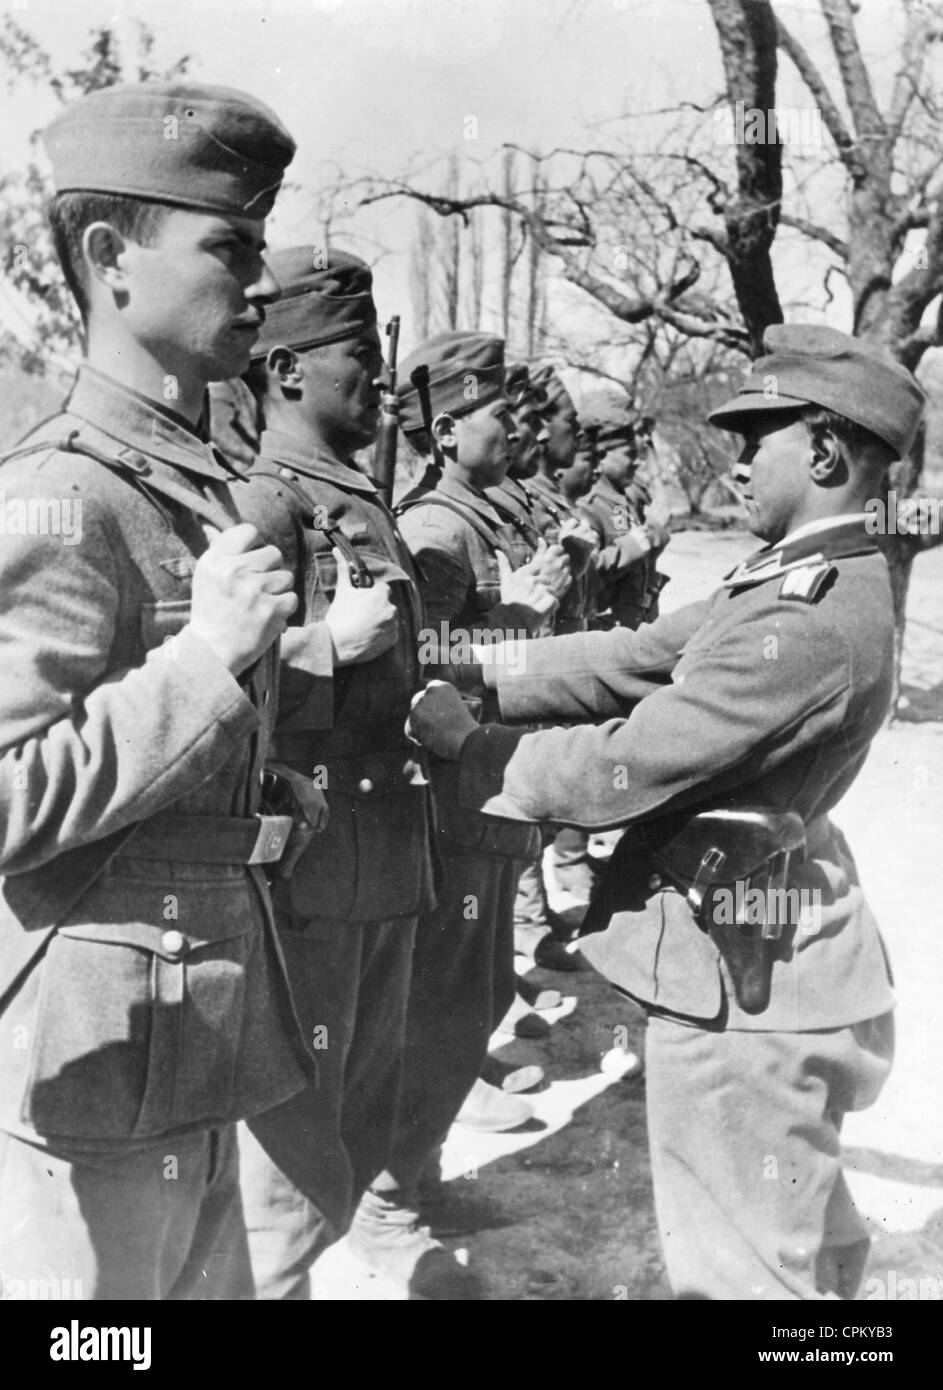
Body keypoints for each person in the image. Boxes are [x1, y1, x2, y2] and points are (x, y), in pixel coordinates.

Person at [406, 324, 925, 1301]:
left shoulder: (810, 614)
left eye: (751, 438)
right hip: (760, 946)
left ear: (822, 452)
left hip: (745, 987)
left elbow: (628, 763)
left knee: (740, 1274)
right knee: (797, 1246)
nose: (731, 462)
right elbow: (631, 656)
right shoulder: (792, 574)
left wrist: (466, 747)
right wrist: (473, 661)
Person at [0, 80, 315, 1300]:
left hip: (198, 1038)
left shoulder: (194, 483)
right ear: (108, 260)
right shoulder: (63, 496)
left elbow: (163, 759)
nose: (265, 282)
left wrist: (258, 792)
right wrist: (201, 665)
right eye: (230, 247)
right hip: (98, 1058)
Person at [222, 247, 435, 1300]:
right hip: (309, 866)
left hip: (382, 853)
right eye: (360, 354)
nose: (381, 378)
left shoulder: (356, 496)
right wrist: (324, 651)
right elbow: (220, 691)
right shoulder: (267, 505)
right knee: (291, 1145)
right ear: (290, 370)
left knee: (354, 1115)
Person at [347, 331, 564, 1296]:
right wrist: (517, 621)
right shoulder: (437, 529)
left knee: (473, 998)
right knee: (441, 1001)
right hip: (449, 795)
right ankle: (385, 1202)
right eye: (496, 414)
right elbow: (426, 665)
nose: (512, 427)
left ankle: (420, 1178)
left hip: (493, 781)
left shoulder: (484, 515)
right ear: (445, 429)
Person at [578, 404, 670, 630]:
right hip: (606, 634)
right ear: (601, 457)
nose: (637, 462)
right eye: (630, 455)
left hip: (637, 624)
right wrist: (634, 547)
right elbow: (585, 573)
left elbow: (661, 506)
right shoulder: (588, 505)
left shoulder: (623, 496)